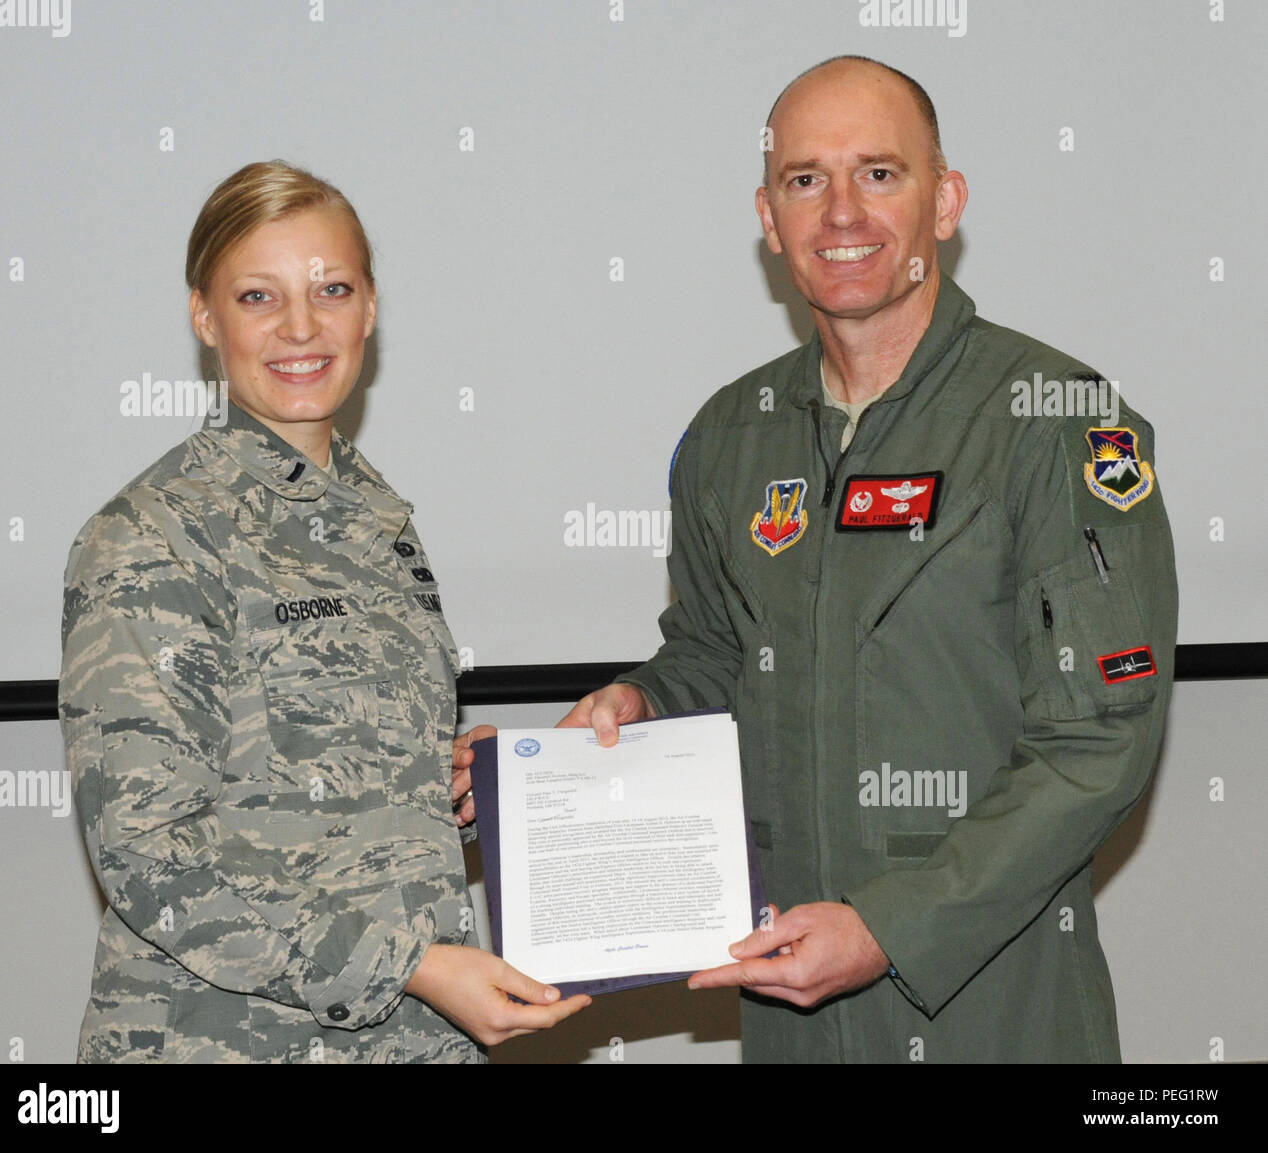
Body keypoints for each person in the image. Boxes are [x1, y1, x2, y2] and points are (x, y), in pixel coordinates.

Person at [558, 56, 1179, 1062]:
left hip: (992, 1004)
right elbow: (715, 657)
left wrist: (891, 926)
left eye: (879, 173)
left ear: (946, 201)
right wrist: (641, 703)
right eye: (806, 180)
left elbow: (1097, 746)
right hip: (791, 1004)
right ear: (769, 217)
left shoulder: (1056, 421)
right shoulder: (730, 435)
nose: (841, 211)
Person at [59, 160, 588, 1062]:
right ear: (204, 317)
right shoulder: (152, 534)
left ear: (371, 309)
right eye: (259, 296)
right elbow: (151, 857)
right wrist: (411, 966)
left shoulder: (376, 515)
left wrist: (455, 789)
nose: (301, 327)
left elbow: (311, 784)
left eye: (331, 289)